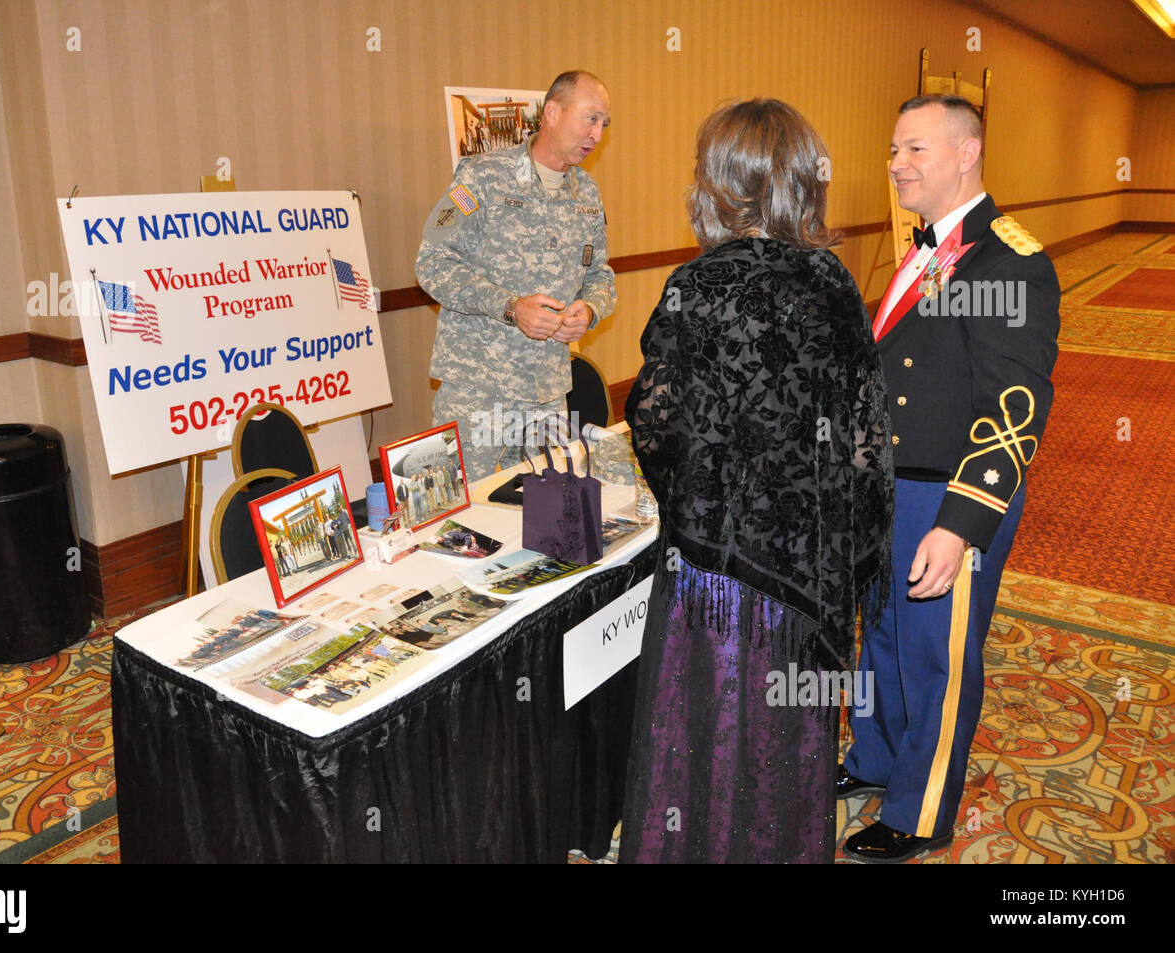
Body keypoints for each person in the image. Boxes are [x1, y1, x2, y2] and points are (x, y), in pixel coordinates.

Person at [620, 99, 894, 864]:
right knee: (783, 736)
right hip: (803, 576)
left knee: (699, 725)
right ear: (803, 182)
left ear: (718, 183)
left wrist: (700, 492)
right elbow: (867, 439)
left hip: (713, 571)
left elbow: (656, 423)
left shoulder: (695, 285)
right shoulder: (834, 282)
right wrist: (850, 552)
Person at [839, 95, 1060, 863]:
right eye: (894, 149)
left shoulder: (1010, 258)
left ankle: (921, 808)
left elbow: (1015, 404)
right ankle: (874, 759)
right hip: (892, 487)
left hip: (947, 492)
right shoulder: (930, 248)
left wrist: (961, 521)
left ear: (967, 153)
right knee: (887, 637)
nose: (897, 163)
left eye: (916, 150)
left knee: (938, 654)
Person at [416, 70, 616, 481]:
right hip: (477, 390)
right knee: (458, 513)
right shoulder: (481, 176)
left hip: (546, 393)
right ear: (553, 113)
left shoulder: (588, 194)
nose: (597, 134)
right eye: (590, 118)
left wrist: (591, 310)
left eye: (604, 123)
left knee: (544, 514)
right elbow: (432, 263)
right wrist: (509, 307)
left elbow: (601, 274)